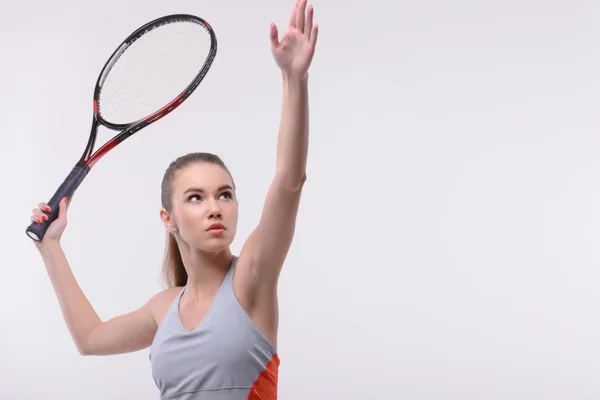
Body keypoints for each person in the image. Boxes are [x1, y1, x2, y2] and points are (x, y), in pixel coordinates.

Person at [28, 1, 318, 398]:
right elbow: (90, 339)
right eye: (196, 197)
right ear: (169, 218)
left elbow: (289, 181)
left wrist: (293, 79)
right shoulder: (163, 309)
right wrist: (51, 246)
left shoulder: (252, 279)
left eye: (225, 195)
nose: (215, 207)